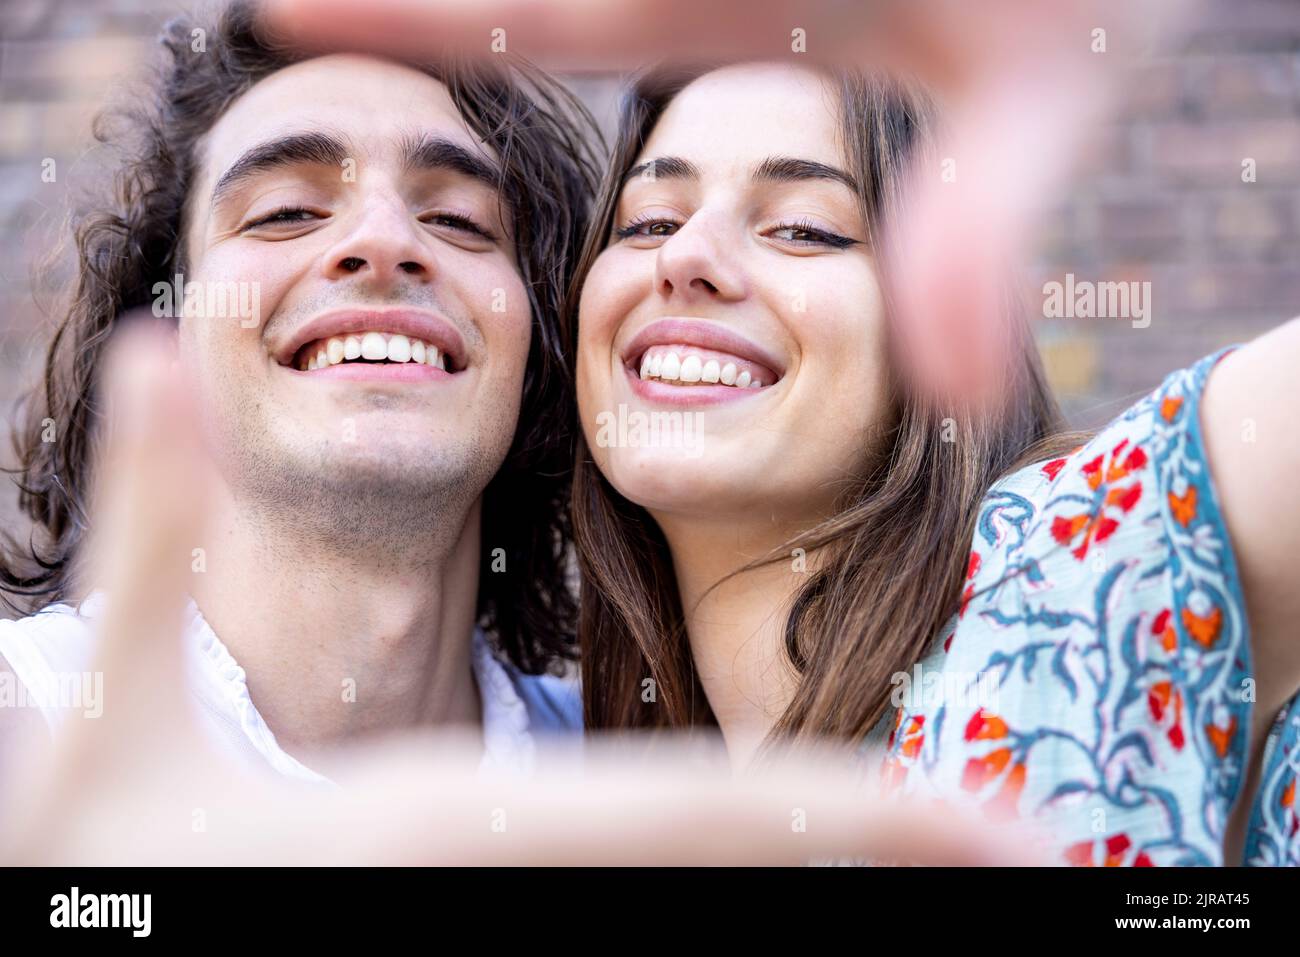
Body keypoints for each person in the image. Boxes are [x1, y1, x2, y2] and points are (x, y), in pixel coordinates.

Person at [567, 58, 1300, 867]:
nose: (686, 255)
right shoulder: (617, 804)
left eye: (804, 227)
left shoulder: (1064, 577)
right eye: (649, 222)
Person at [0, 1, 600, 778]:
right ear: (169, 328)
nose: (384, 240)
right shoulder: (28, 730)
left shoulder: (637, 783)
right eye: (285, 212)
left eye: (458, 219)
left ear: (537, 345)